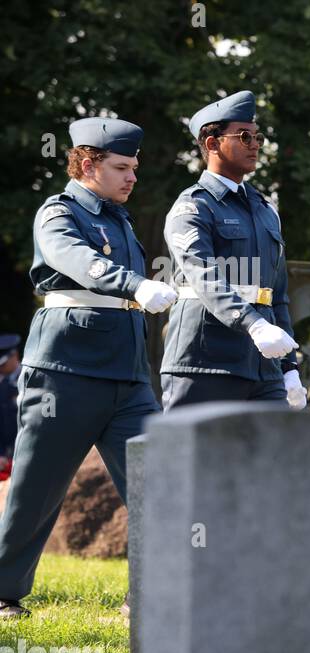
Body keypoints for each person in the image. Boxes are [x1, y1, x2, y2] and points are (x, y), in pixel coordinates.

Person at [0, 117, 174, 619]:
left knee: (158, 480)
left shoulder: (120, 218)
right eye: (122, 167)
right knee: (36, 487)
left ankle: (147, 593)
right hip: (64, 371)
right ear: (88, 163)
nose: (132, 178)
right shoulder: (59, 211)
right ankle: (5, 590)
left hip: (126, 374)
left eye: (135, 168)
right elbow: (75, 260)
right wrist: (134, 285)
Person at [160, 90, 303, 410]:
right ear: (211, 144)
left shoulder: (266, 210)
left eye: (257, 137)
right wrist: (254, 324)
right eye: (244, 136)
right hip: (206, 360)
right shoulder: (194, 207)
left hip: (262, 365)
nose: (254, 144)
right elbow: (204, 276)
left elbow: (276, 294)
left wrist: (290, 366)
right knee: (189, 460)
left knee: (273, 459)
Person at [0, 334, 21, 480]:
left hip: (24, 456)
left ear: (15, 356)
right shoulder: (2, 385)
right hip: (4, 460)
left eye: (3, 363)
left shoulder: (30, 381)